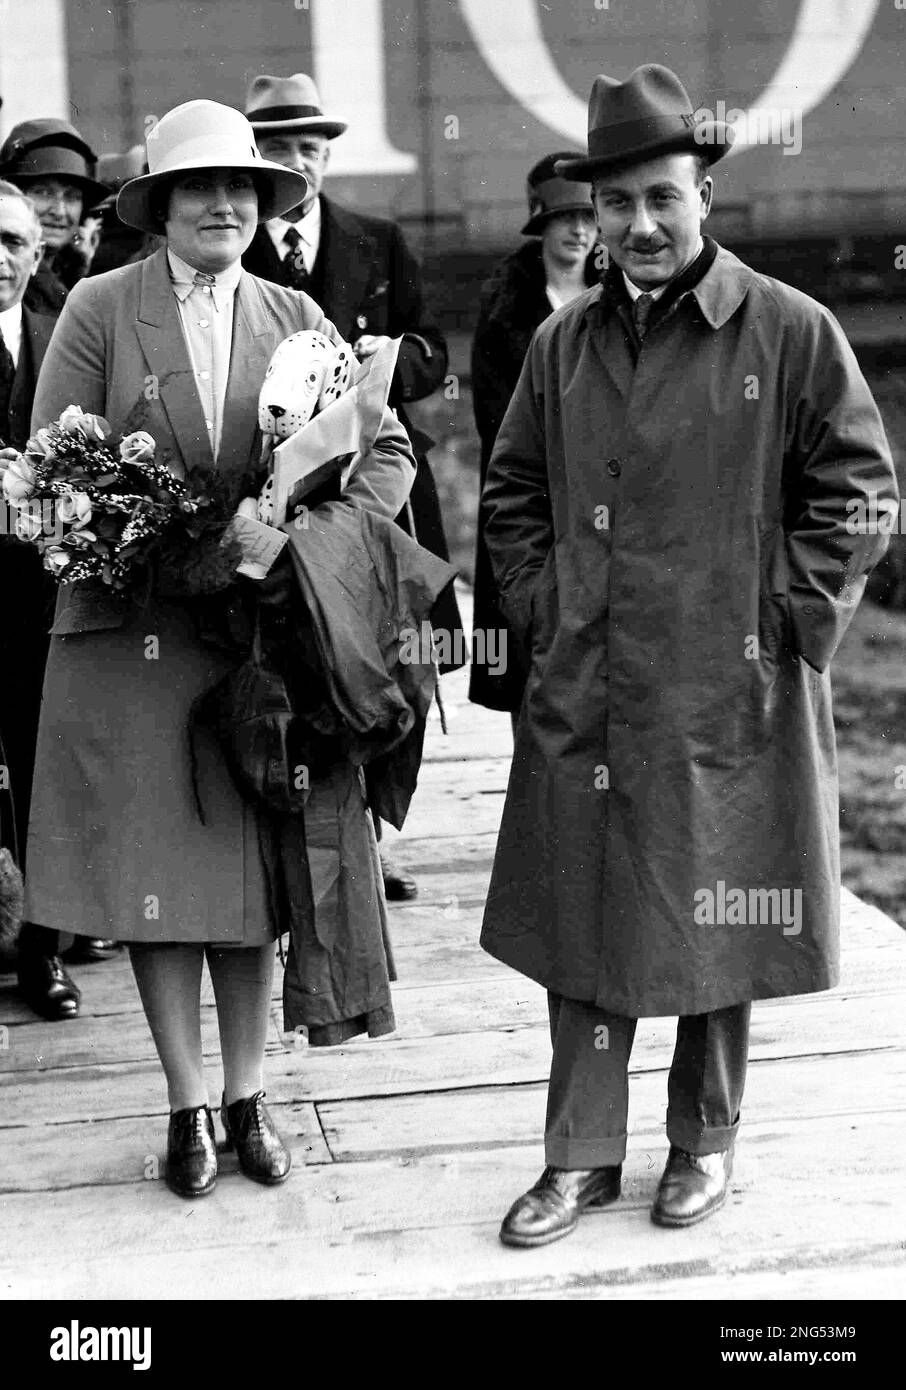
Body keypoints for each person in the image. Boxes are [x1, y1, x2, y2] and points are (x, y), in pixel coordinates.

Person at [480, 64, 898, 1247]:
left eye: (663, 199)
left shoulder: (791, 330)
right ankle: (578, 1158)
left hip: (730, 687)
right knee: (583, 926)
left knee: (713, 920)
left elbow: (860, 495)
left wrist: (785, 627)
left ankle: (702, 1142)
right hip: (587, 684)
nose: (640, 227)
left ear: (704, 192)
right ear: (595, 217)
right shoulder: (564, 347)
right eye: (617, 208)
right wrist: (545, 603)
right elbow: (511, 489)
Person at [22, 99, 417, 1199]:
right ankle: (187, 1102)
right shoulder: (101, 310)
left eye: (241, 188)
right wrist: (176, 544)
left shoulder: (296, 312)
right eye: (200, 188)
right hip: (136, 645)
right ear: (159, 206)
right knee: (160, 882)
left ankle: (250, 1097)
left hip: (258, 646)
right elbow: (54, 476)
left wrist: (295, 533)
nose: (223, 205)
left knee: (247, 888)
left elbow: (385, 458)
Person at [242, 72, 464, 901]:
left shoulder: (377, 237)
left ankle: (373, 840)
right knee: (304, 660)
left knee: (391, 655)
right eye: (280, 149)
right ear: (256, 158)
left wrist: (385, 362)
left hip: (384, 489)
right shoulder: (236, 250)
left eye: (312, 147)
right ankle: (303, 843)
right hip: (285, 498)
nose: (300, 162)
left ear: (329, 155)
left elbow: (436, 349)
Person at [470, 153, 598, 717]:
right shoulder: (506, 310)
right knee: (529, 658)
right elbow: (497, 424)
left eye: (589, 218)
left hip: (607, 496)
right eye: (565, 218)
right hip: (532, 499)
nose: (578, 230)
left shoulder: (620, 297)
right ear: (541, 224)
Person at [0, 179, 84, 1020]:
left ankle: (43, 951)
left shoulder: (61, 335)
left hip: (40, 596)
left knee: (39, 770)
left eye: (13, 241)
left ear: (36, 253)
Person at [0, 119, 110, 315]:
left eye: (72, 196)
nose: (59, 211)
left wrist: (79, 271)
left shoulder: (73, 273)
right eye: (43, 192)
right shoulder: (9, 280)